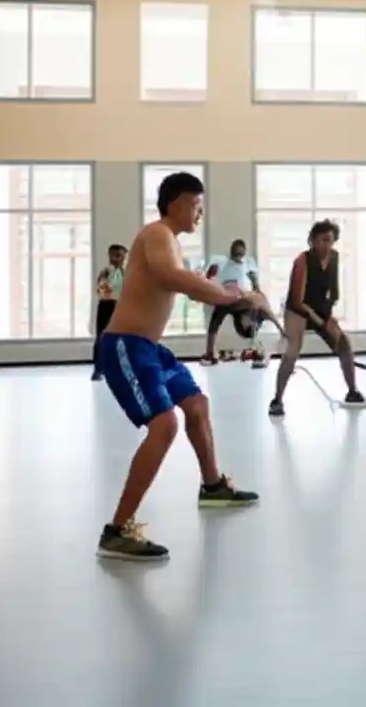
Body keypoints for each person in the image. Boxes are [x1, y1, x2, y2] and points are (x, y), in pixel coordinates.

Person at [96, 173, 260, 561]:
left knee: (196, 405)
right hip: (125, 346)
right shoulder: (157, 234)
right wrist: (232, 294)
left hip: (150, 349)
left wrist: (223, 291)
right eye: (196, 205)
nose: (200, 213)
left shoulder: (169, 244)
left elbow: (181, 279)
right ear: (175, 204)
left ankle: (213, 485)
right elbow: (174, 279)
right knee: (165, 423)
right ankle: (117, 530)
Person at [270, 220, 366, 414]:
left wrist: (328, 318)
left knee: (343, 344)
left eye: (331, 240)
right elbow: (297, 300)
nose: (327, 245)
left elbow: (334, 293)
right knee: (293, 350)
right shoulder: (302, 261)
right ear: (312, 241)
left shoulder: (334, 257)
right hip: (297, 310)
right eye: (323, 240)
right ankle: (276, 400)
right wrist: (318, 320)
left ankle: (353, 391)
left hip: (319, 309)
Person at [202, 239, 263, 365]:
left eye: (240, 255)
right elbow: (209, 276)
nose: (238, 258)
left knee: (243, 325)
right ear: (231, 253)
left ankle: (253, 342)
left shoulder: (247, 263)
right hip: (225, 298)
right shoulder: (221, 262)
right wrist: (209, 286)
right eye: (236, 255)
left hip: (239, 299)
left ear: (244, 253)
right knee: (215, 322)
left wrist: (256, 293)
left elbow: (255, 282)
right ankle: (209, 353)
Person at [91, 244, 127, 381]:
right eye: (117, 256)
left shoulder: (125, 272)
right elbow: (102, 289)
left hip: (121, 306)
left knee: (120, 338)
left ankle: (117, 368)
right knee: (102, 336)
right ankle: (98, 369)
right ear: (111, 256)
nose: (121, 259)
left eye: (123, 256)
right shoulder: (106, 272)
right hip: (107, 305)